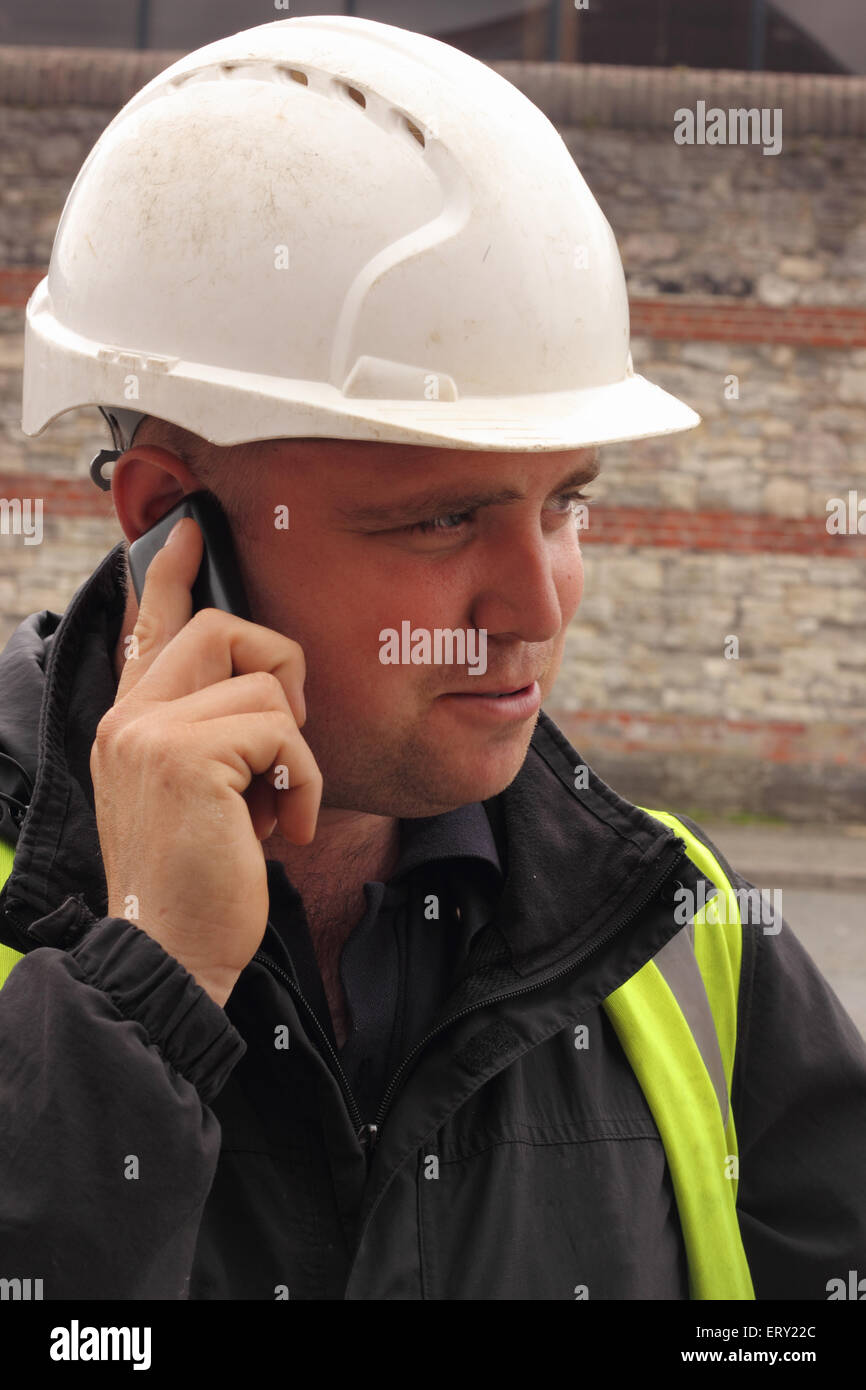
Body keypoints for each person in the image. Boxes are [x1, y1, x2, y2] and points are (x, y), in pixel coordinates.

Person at [0, 15, 863, 1301]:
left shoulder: (688, 930)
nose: (536, 603)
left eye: (563, 502)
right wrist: (146, 987)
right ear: (165, 517)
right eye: (442, 516)